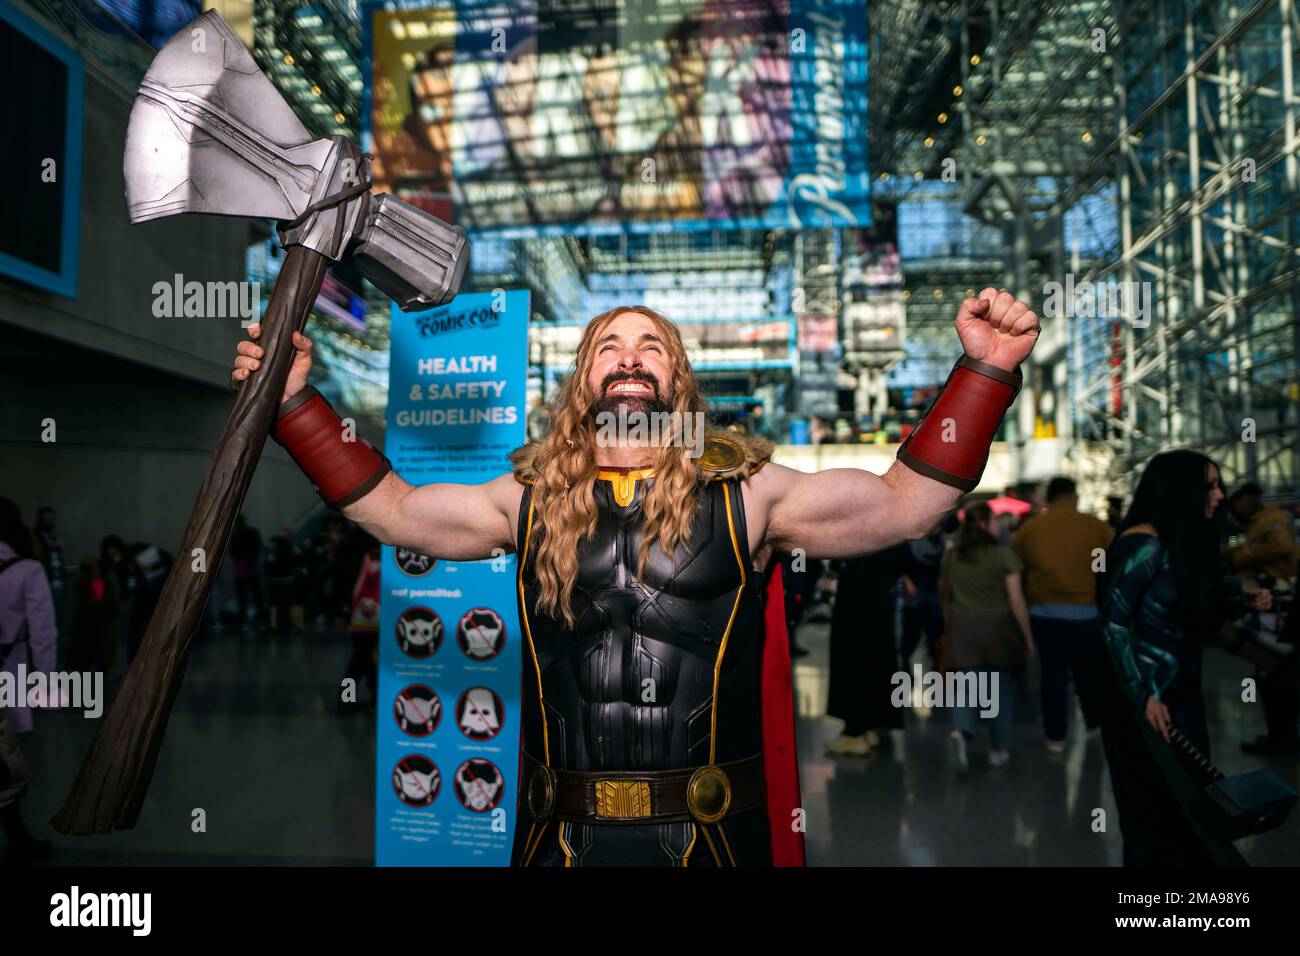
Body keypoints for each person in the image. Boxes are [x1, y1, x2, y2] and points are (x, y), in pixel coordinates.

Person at [229, 289, 1040, 866]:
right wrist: (298, 407)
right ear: (585, 381)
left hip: (713, 839)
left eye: (650, 345)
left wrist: (984, 375)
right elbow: (397, 513)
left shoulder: (749, 493)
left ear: (677, 379)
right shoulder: (526, 497)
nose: (629, 359)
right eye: (608, 347)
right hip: (560, 840)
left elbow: (906, 506)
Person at [1099, 451, 1271, 865]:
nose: (1219, 496)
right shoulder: (1143, 545)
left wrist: (1238, 595)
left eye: (1218, 484)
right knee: (1160, 809)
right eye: (1208, 486)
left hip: (1177, 693)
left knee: (1188, 804)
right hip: (1152, 702)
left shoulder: (1169, 541)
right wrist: (1144, 697)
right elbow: (1114, 625)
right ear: (1180, 490)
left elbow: (1182, 592)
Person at [1012, 476, 1114, 752]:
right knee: (1088, 672)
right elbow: (1107, 565)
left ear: (1049, 498)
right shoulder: (1096, 527)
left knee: (1052, 675)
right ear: (1072, 495)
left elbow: (1018, 568)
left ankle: (1055, 735)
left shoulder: (1030, 530)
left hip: (1045, 612)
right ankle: (1094, 723)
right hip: (1087, 611)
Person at [940, 502, 1035, 772]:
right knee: (1000, 689)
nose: (998, 525)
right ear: (983, 524)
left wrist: (949, 627)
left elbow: (945, 595)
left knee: (967, 685)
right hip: (999, 629)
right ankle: (997, 749)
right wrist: (1027, 636)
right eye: (994, 520)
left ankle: (961, 730)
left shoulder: (953, 556)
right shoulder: (1004, 555)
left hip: (963, 625)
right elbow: (1016, 600)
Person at [0, 497, 56, 865]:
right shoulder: (27, 570)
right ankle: (19, 840)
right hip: (7, 674)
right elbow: (43, 634)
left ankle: (19, 838)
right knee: (7, 765)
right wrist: (46, 683)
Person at [1225, 482, 1299, 754]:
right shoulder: (1254, 526)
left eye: (1236, 504)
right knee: (1270, 674)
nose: (1233, 510)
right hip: (1268, 606)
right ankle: (1279, 736)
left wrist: (1242, 556)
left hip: (1282, 606)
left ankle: (1284, 739)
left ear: (1247, 501)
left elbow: (1282, 546)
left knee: (1278, 672)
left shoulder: (1273, 519)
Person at [825, 544, 909, 756]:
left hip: (856, 590)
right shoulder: (892, 518)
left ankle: (854, 732)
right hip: (881, 593)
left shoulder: (859, 517)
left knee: (852, 656)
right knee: (877, 654)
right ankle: (870, 724)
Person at [230, 514, 264, 629]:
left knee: (242, 594)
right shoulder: (253, 532)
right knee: (256, 592)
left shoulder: (235, 535)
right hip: (253, 564)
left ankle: (243, 619)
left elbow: (232, 551)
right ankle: (260, 618)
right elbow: (259, 546)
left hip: (241, 566)